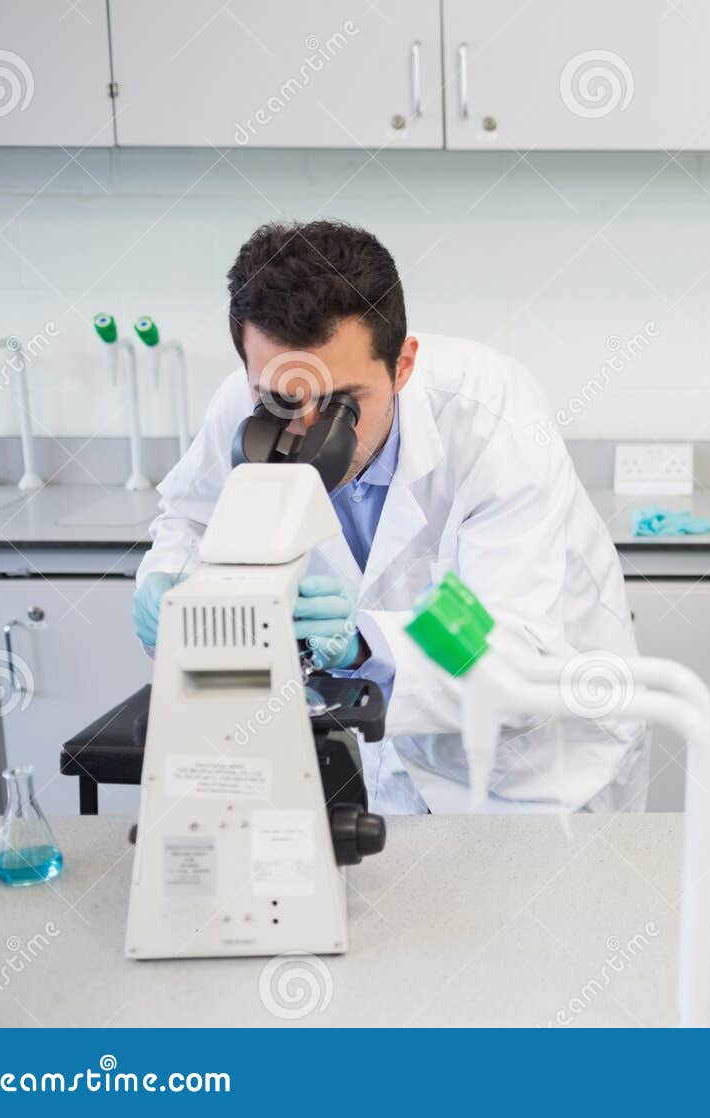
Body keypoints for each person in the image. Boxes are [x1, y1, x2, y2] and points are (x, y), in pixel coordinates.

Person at [131, 220, 646, 815]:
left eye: (343, 402)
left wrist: (363, 643)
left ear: (402, 365)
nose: (306, 431)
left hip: (533, 775)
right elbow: (191, 519)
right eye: (280, 401)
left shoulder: (493, 425)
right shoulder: (244, 400)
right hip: (380, 764)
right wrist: (162, 582)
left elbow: (514, 648)